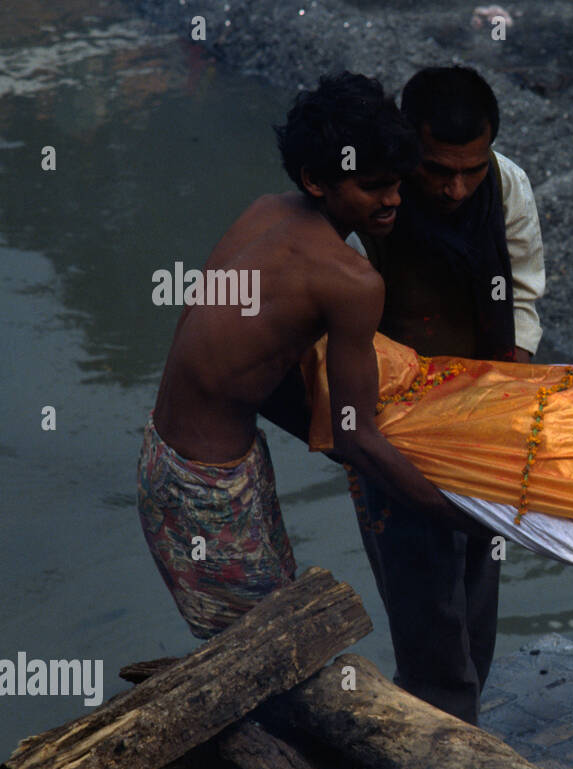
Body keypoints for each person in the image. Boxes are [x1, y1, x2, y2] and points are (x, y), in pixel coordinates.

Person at [138, 72, 470, 639]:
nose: (393, 200)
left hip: (169, 459)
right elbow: (354, 436)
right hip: (208, 489)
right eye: (372, 186)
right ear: (317, 180)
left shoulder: (266, 211)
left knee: (265, 634)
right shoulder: (350, 281)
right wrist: (462, 515)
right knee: (266, 653)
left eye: (397, 182)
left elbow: (247, 357)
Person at [346, 65, 545, 725]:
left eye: (472, 170)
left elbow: (523, 295)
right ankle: (439, 730)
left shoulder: (507, 185)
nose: (457, 188)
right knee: (421, 589)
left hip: (485, 411)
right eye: (438, 171)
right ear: (408, 148)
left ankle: (457, 721)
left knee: (479, 578)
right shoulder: (373, 205)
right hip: (391, 427)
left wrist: (508, 406)